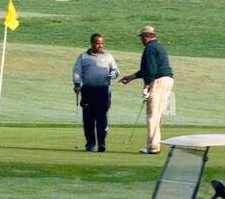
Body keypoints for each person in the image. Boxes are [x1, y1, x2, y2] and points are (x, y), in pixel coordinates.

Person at [120, 26, 173, 154]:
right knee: (158, 114)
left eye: (142, 37)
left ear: (146, 36)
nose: (141, 40)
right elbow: (147, 69)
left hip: (158, 81)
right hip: (167, 80)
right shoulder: (158, 46)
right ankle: (155, 144)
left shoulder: (149, 48)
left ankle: (153, 147)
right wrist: (132, 77)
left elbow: (150, 69)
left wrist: (147, 85)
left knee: (152, 115)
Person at [72, 33, 119, 152]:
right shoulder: (83, 57)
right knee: (88, 118)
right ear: (92, 43)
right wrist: (77, 84)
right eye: (97, 43)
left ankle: (101, 143)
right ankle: (90, 143)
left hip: (103, 91)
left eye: (101, 43)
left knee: (102, 118)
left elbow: (115, 70)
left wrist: (114, 74)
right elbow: (77, 71)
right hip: (87, 90)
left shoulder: (108, 56)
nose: (100, 46)